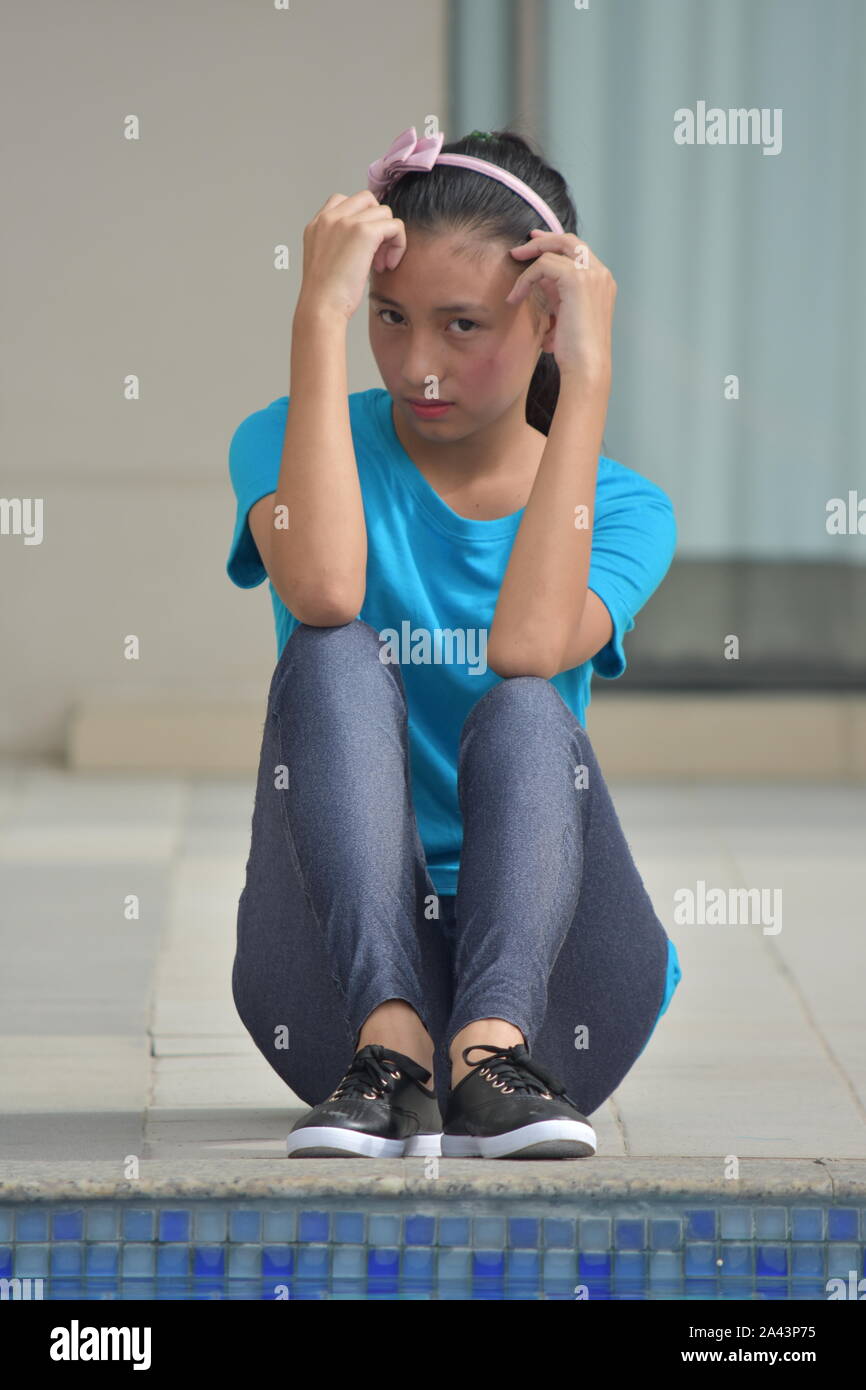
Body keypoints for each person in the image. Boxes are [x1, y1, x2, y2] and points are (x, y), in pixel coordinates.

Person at [225, 124, 682, 1161]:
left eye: (462, 325)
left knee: (524, 707)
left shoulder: (625, 509)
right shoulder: (291, 440)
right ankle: (391, 1049)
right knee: (332, 651)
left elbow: (528, 650)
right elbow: (325, 589)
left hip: (559, 995)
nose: (418, 367)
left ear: (544, 321)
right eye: (388, 317)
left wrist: (588, 377)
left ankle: (491, 1055)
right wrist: (316, 315)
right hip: (334, 994)